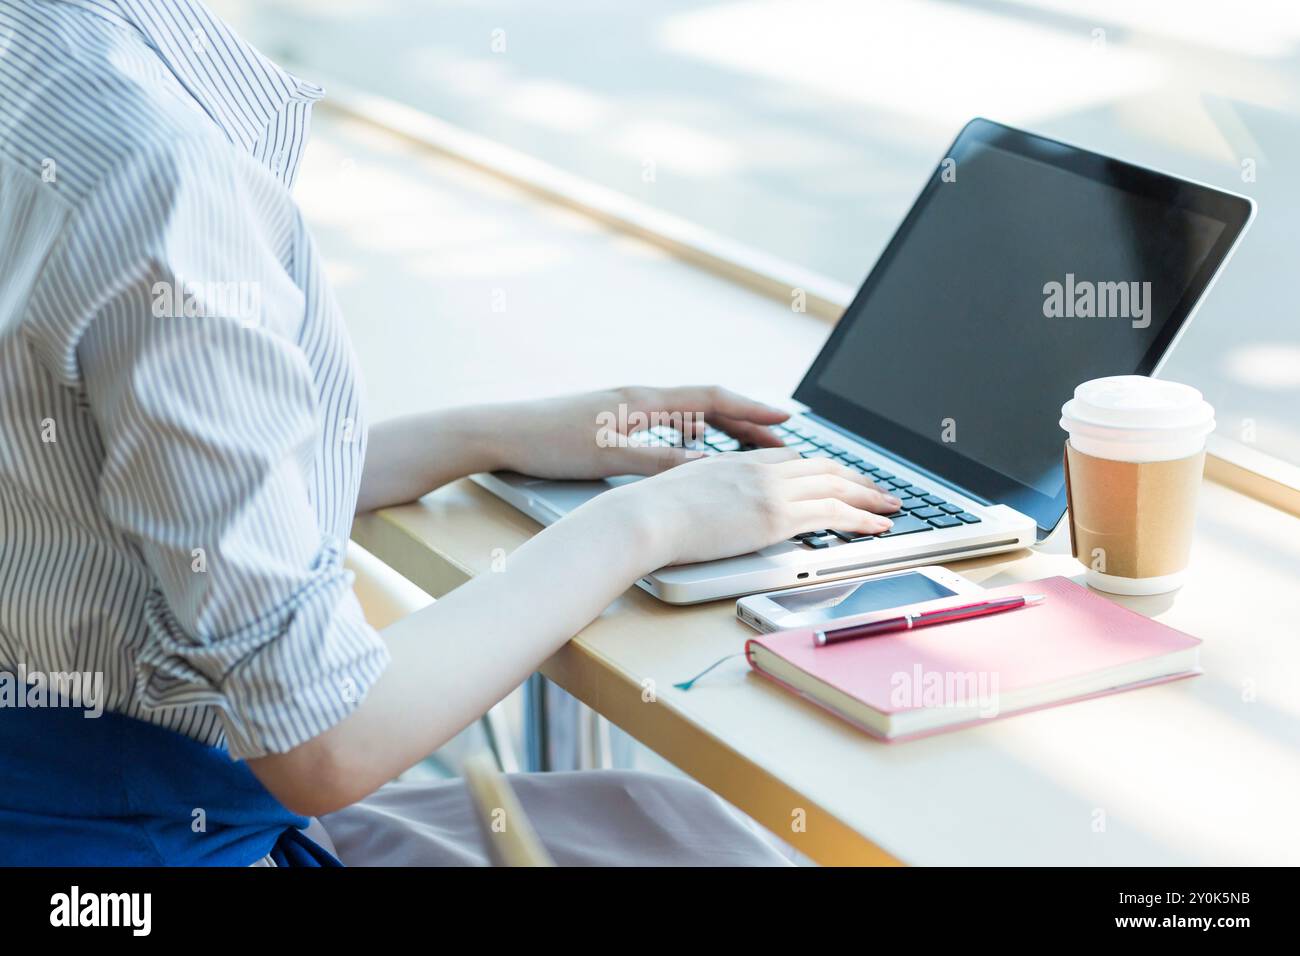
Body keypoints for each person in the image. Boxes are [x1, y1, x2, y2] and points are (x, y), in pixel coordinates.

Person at [0, 0, 897, 865]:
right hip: (146, 838)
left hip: (73, 789)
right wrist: (651, 523)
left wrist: (488, 435)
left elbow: (96, 506)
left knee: (664, 820)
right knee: (705, 842)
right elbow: (326, 740)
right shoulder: (153, 171)